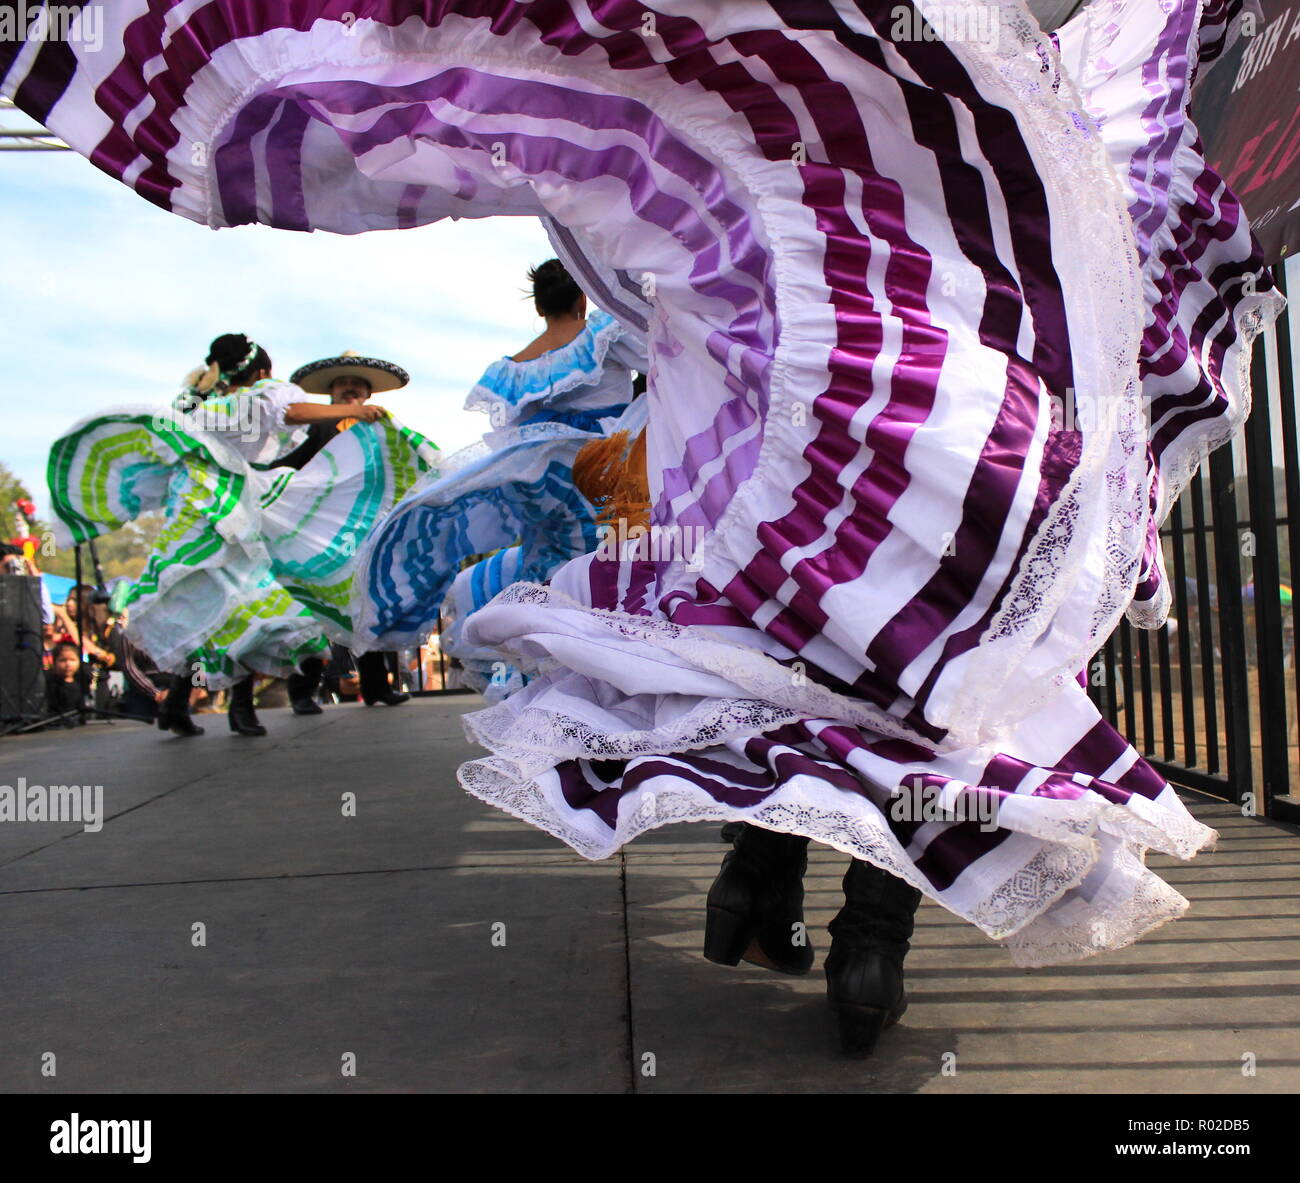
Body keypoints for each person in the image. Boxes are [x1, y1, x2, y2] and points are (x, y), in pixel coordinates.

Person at [15, 0, 1283, 1061]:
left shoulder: (718, 194)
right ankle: (867, 945)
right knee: (931, 686)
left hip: (733, 440)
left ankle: (759, 873)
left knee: (780, 653)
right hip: (949, 427)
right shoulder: (955, 172)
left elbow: (592, 161)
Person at [46, 334, 438, 740]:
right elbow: (287, 409)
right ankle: (236, 707)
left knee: (214, 608)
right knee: (246, 606)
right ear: (263, 371)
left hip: (195, 508)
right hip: (222, 508)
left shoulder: (200, 405)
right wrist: (356, 411)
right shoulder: (253, 397)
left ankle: (180, 704)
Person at [351, 259, 647, 697]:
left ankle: (556, 685)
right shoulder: (603, 335)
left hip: (544, 482)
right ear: (583, 295)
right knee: (613, 564)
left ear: (538, 304)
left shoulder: (513, 369)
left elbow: (514, 437)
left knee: (553, 569)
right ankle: (615, 679)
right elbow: (662, 362)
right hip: (600, 469)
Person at [273, 351, 416, 712]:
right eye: (343, 385)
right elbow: (283, 468)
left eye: (358, 386)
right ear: (330, 393)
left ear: (368, 395)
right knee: (311, 609)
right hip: (317, 534)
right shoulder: (312, 428)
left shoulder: (382, 429)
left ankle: (376, 686)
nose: (350, 390)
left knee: (366, 603)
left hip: (366, 532)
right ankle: (303, 689)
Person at [44, 642, 87, 725]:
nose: (68, 664)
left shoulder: (80, 682)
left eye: (72, 660)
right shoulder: (52, 684)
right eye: (62, 660)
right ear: (54, 662)